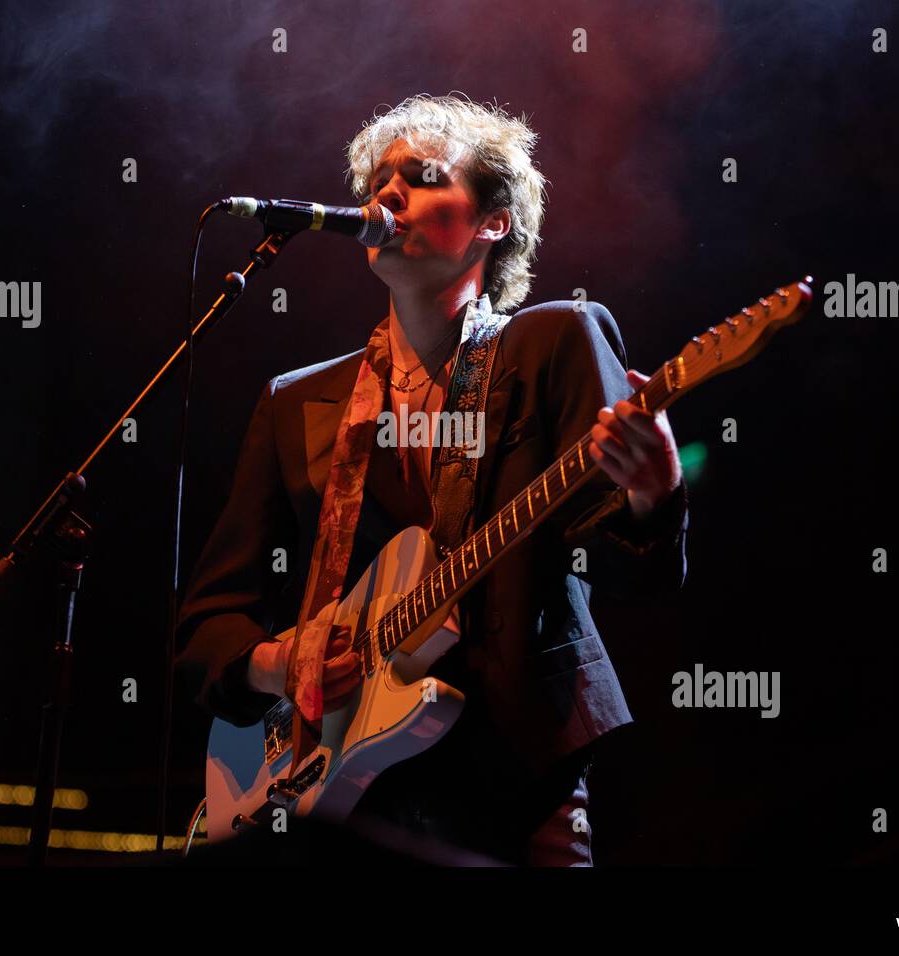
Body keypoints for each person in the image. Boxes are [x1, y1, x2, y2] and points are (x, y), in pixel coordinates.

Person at [177, 93, 688, 865]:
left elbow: (635, 581)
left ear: (493, 222)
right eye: (378, 181)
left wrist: (654, 493)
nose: (387, 193)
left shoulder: (552, 344)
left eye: (420, 176)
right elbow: (207, 624)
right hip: (341, 792)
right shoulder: (298, 402)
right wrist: (281, 663)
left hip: (514, 782)